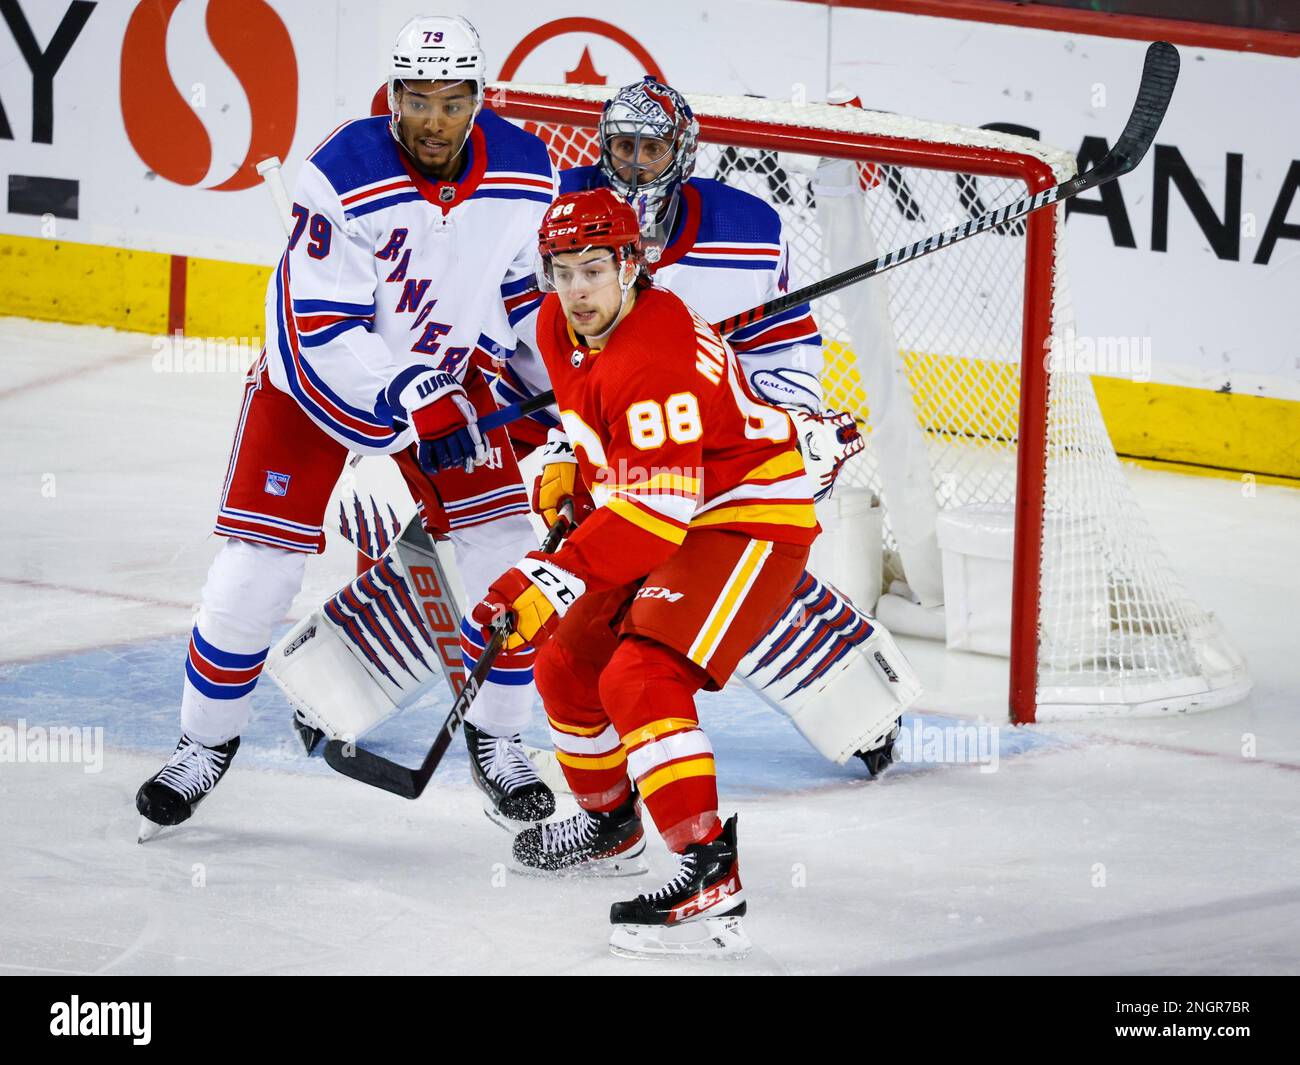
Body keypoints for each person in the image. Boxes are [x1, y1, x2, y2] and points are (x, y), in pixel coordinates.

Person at [136, 15, 559, 838]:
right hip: (312, 389)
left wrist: (558, 383)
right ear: (392, 94)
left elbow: (520, 294)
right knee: (254, 573)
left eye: (452, 99)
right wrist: (410, 396)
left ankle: (501, 741)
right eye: (417, 98)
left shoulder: (526, 169)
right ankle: (203, 744)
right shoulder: (342, 172)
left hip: (444, 382)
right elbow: (320, 328)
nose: (434, 119)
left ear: (480, 96)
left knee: (506, 547)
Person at [498, 77, 912, 777]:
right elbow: (530, 349)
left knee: (726, 562)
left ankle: (858, 703)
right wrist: (561, 446)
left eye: (650, 148)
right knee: (509, 553)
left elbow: (782, 357)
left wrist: (792, 426)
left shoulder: (748, 229)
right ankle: (490, 721)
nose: (633, 164)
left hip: (697, 444)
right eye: (621, 146)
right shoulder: (558, 219)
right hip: (576, 430)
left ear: (682, 153)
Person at [471, 189, 820, 958]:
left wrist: (543, 577)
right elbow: (600, 436)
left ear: (632, 264)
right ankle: (610, 825)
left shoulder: (650, 356)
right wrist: (568, 465)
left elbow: (656, 519)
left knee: (639, 677)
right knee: (566, 664)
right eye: (562, 270)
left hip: (746, 516)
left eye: (594, 268)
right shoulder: (558, 327)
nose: (577, 290)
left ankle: (706, 872)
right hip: (669, 505)